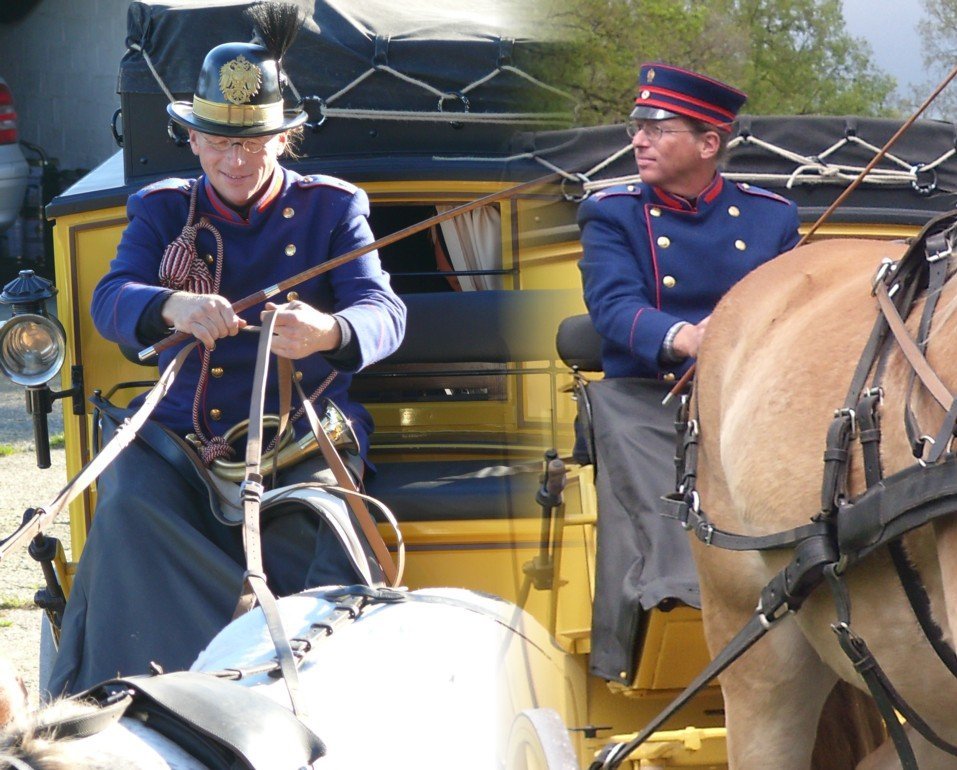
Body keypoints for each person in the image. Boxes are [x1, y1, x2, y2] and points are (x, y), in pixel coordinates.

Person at [47, 5, 406, 695]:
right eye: (218, 143)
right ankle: (119, 702)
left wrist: (328, 332)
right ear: (190, 137)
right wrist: (170, 306)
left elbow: (382, 311)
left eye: (252, 144)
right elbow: (110, 298)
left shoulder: (334, 207)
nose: (235, 161)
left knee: (324, 537)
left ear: (283, 140)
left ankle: (317, 702)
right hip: (184, 444)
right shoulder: (160, 208)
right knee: (124, 513)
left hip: (298, 441)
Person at [577, 62, 799, 684]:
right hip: (651, 393)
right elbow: (615, 307)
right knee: (640, 446)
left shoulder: (770, 217)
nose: (638, 140)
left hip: (748, 391)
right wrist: (685, 337)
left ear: (709, 143)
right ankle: (672, 603)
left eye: (656, 127)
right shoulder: (611, 213)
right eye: (635, 126)